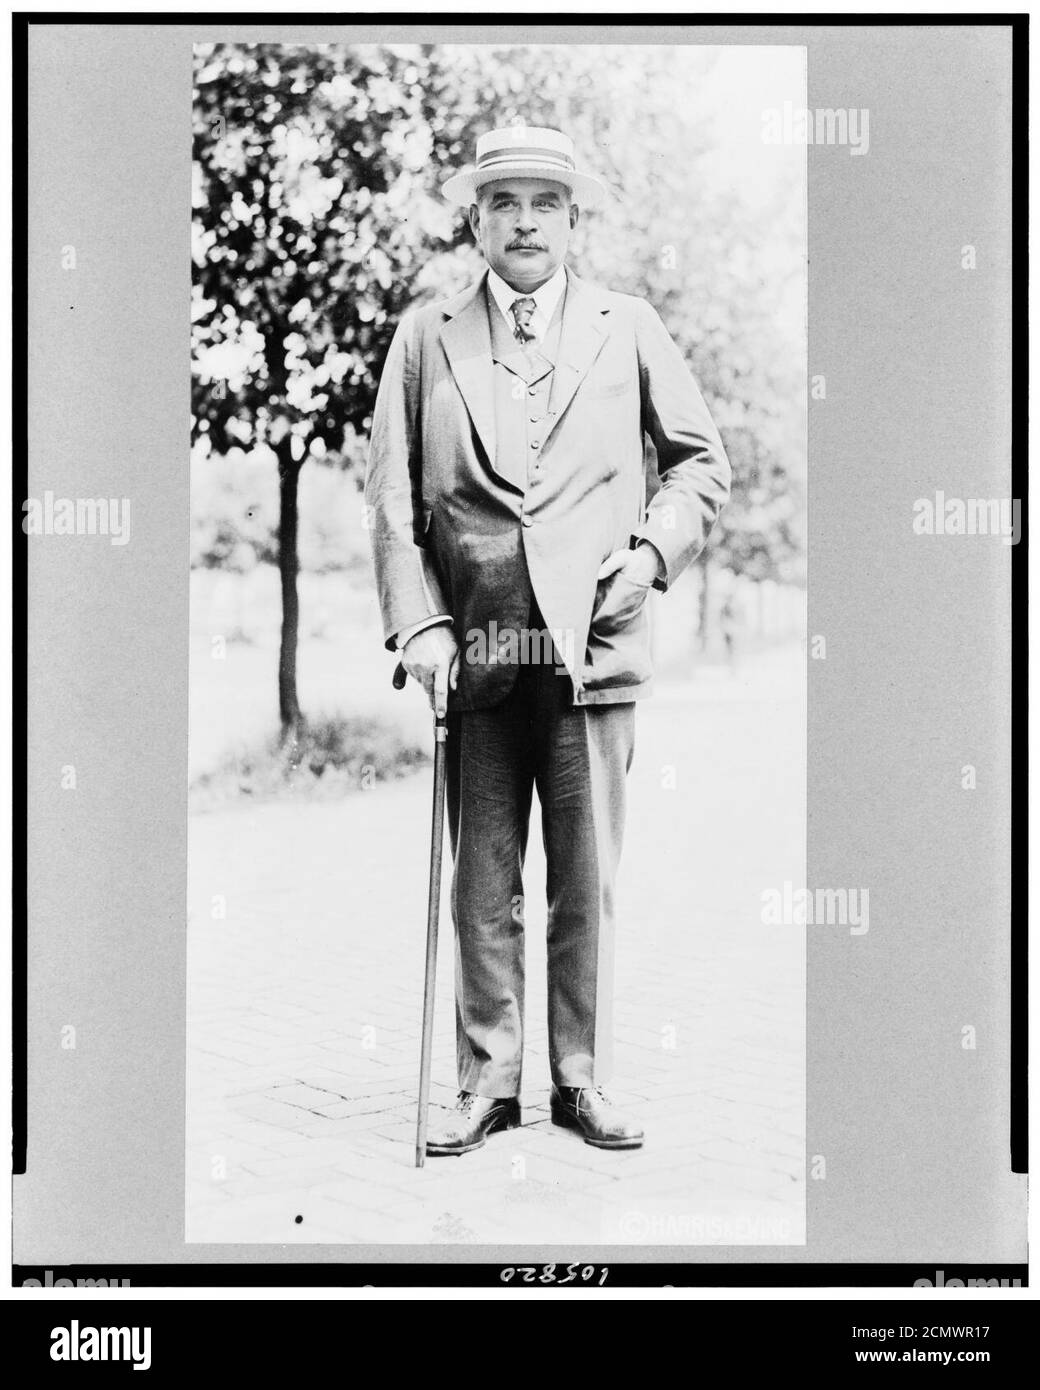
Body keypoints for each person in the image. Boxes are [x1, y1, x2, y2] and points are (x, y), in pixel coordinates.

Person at [365, 125, 731, 1155]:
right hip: (473, 656)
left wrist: (649, 558)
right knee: (481, 884)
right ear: (473, 219)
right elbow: (392, 499)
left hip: (593, 649)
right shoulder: (425, 336)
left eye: (545, 201)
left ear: (574, 220)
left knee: (583, 882)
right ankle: (484, 1080)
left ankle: (578, 1080)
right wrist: (418, 624)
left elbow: (700, 465)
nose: (523, 220)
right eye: (502, 201)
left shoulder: (630, 326)